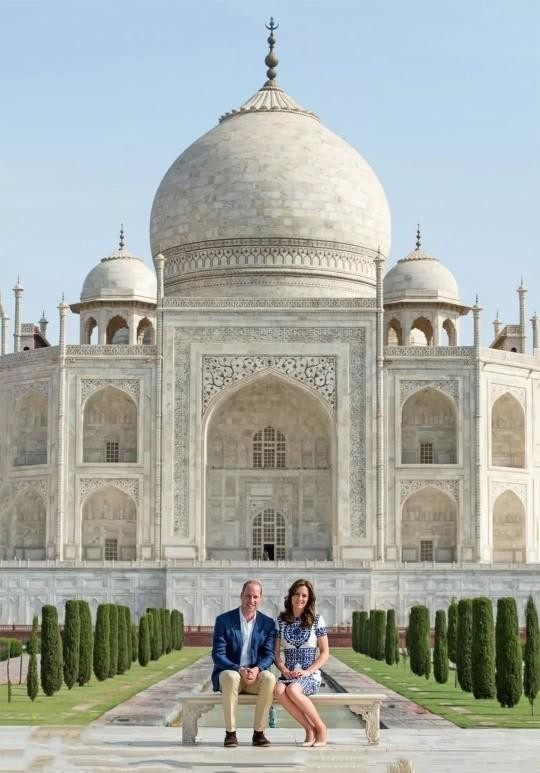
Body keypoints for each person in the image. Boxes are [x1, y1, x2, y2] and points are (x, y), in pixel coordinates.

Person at [211, 579, 276, 748]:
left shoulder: (267, 624)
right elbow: (218, 655)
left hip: (253, 676)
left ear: (260, 599)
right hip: (231, 675)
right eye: (248, 596)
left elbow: (270, 655)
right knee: (231, 677)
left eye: (255, 597)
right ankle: (230, 734)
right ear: (241, 596)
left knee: (269, 678)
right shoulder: (224, 620)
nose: (251, 600)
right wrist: (238, 669)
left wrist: (257, 669)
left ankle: (259, 733)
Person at [274, 578, 329, 747]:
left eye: (304, 595)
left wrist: (308, 671)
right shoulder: (281, 621)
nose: (300, 598)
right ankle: (308, 729)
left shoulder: (317, 620)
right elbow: (275, 654)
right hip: (289, 673)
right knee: (278, 689)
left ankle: (321, 728)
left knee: (293, 689)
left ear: (309, 598)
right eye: (297, 594)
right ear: (290, 597)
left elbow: (325, 652)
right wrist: (283, 670)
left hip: (309, 674)